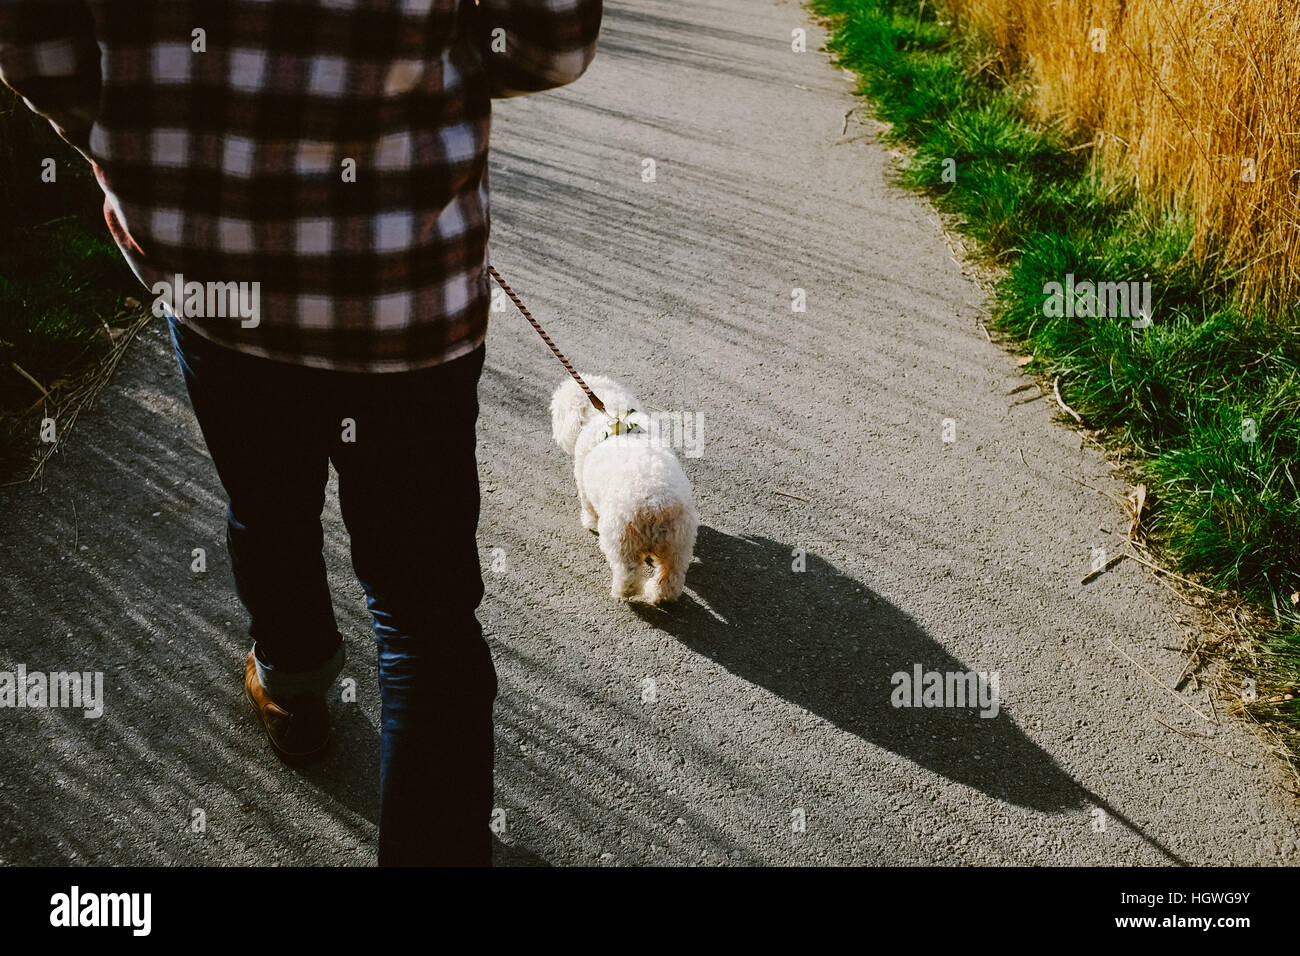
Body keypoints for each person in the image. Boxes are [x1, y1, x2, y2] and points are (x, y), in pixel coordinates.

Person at [0, 0, 603, 866]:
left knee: (267, 498)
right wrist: (419, 84)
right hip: (403, 287)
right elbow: (549, 42)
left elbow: (33, 39)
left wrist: (142, 147)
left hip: (212, 275)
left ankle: (291, 687)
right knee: (423, 611)